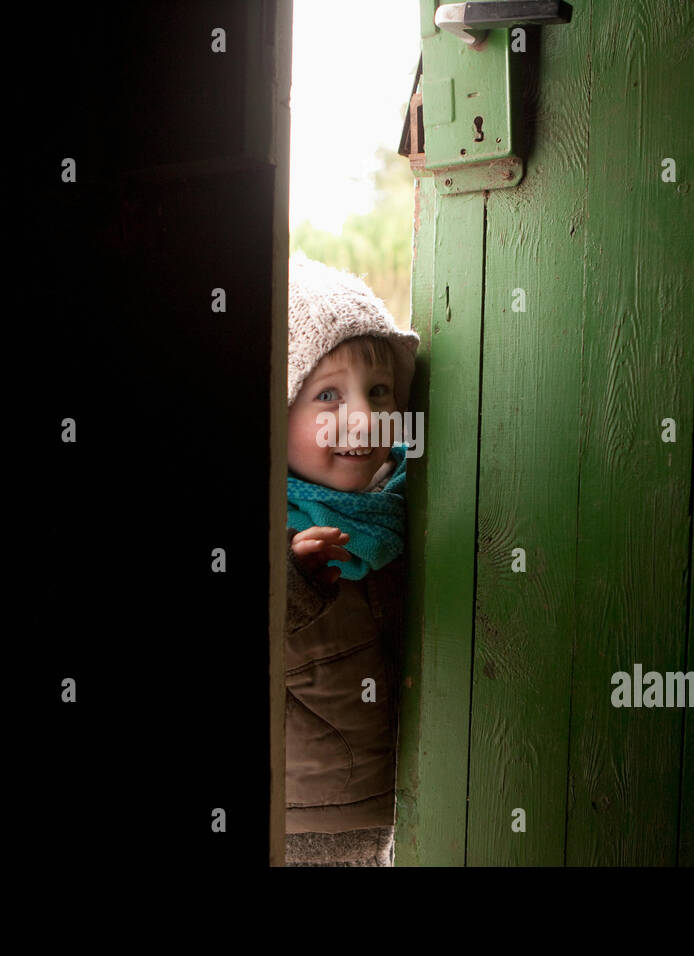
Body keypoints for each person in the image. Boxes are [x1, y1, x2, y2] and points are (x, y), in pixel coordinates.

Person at [283, 251, 420, 866]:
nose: (362, 420)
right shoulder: (277, 525)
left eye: (380, 390)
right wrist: (293, 582)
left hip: (395, 810)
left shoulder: (402, 504)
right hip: (298, 821)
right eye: (328, 395)